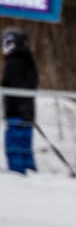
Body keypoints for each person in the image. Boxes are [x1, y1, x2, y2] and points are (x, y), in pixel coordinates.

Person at [2, 28, 38, 175]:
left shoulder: (15, 63)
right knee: (24, 146)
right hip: (25, 112)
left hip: (17, 112)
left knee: (16, 146)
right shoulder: (27, 61)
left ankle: (18, 174)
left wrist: (19, 109)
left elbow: (16, 87)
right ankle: (28, 171)